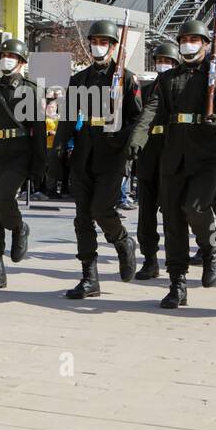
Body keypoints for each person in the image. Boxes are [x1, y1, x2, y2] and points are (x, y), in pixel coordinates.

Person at [136, 18, 216, 309]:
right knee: (172, 220)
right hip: (173, 157)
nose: (188, 44)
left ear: (206, 44)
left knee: (194, 207)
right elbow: (151, 111)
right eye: (184, 40)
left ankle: (209, 248)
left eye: (194, 40)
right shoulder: (168, 79)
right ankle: (177, 283)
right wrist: (137, 139)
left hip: (207, 157)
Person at [57, 19, 144, 299]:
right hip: (83, 155)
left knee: (102, 210)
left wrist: (122, 139)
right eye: (94, 41)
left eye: (103, 42)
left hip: (112, 156)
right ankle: (89, 278)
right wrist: (56, 152)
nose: (98, 46)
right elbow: (67, 120)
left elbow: (137, 118)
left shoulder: (127, 79)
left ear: (114, 46)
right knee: (82, 218)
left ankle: (122, 242)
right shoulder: (78, 80)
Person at [0, 38, 46, 291]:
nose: (6, 58)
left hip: (18, 154)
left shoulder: (32, 89)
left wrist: (39, 167)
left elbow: (38, 131)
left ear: (22, 61)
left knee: (2, 198)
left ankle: (18, 226)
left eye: (11, 55)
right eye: (3, 54)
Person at [134, 42, 179, 280]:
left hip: (171, 154)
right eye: (160, 60)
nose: (164, 65)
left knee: (172, 214)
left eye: (169, 61)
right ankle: (150, 260)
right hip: (148, 155)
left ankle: (176, 262)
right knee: (146, 214)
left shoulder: (180, 89)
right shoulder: (146, 88)